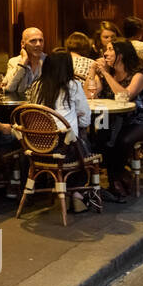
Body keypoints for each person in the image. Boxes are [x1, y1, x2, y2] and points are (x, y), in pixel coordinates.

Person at [95, 40, 143, 203]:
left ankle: (116, 181)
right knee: (100, 138)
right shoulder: (108, 73)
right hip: (111, 118)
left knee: (122, 140)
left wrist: (106, 74)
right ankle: (118, 179)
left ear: (121, 54)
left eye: (111, 50)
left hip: (141, 120)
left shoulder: (139, 73)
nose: (106, 53)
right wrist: (92, 73)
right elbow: (91, 95)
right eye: (106, 49)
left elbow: (124, 96)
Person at [28, 51, 93, 213]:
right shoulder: (73, 86)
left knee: (76, 138)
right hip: (64, 149)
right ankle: (77, 193)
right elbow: (86, 119)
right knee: (82, 139)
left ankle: (67, 190)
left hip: (38, 148)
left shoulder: (36, 86)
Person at [1, 27, 45, 99]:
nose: (38, 44)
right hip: (20, 108)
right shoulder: (14, 62)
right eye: (33, 41)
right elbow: (8, 89)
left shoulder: (49, 61)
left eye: (41, 40)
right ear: (23, 43)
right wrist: (23, 63)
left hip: (42, 108)